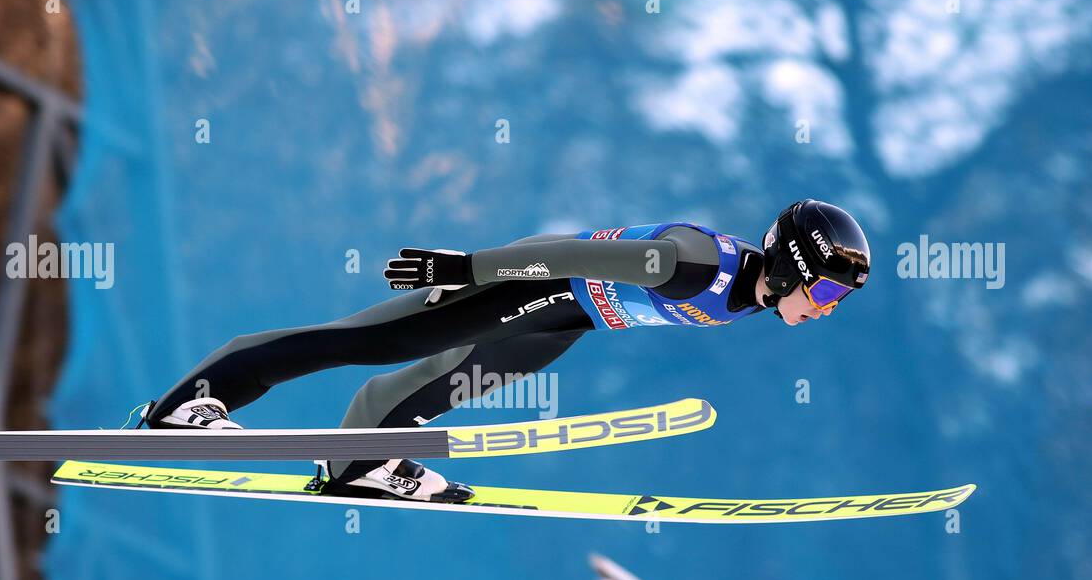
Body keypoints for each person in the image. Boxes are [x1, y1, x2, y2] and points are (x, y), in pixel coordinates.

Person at [140, 200, 870, 502]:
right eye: (828, 295)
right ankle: (189, 401)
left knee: (448, 385)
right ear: (795, 267)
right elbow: (565, 252)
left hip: (566, 321)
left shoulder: (748, 294)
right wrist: (469, 269)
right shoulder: (696, 264)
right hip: (529, 284)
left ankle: (357, 455)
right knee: (371, 339)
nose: (825, 311)